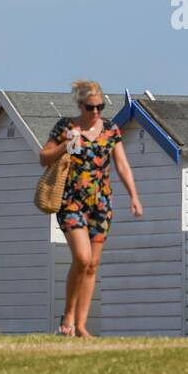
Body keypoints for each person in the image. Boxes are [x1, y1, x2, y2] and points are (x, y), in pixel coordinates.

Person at [38, 80, 142, 337]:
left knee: (92, 264)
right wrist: (66, 145)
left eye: (100, 107)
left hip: (101, 203)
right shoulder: (67, 127)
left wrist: (134, 196)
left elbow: (122, 165)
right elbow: (43, 157)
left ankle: (81, 325)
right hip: (71, 202)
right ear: (80, 105)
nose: (96, 112)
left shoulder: (110, 130)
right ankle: (68, 317)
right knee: (82, 258)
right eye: (90, 107)